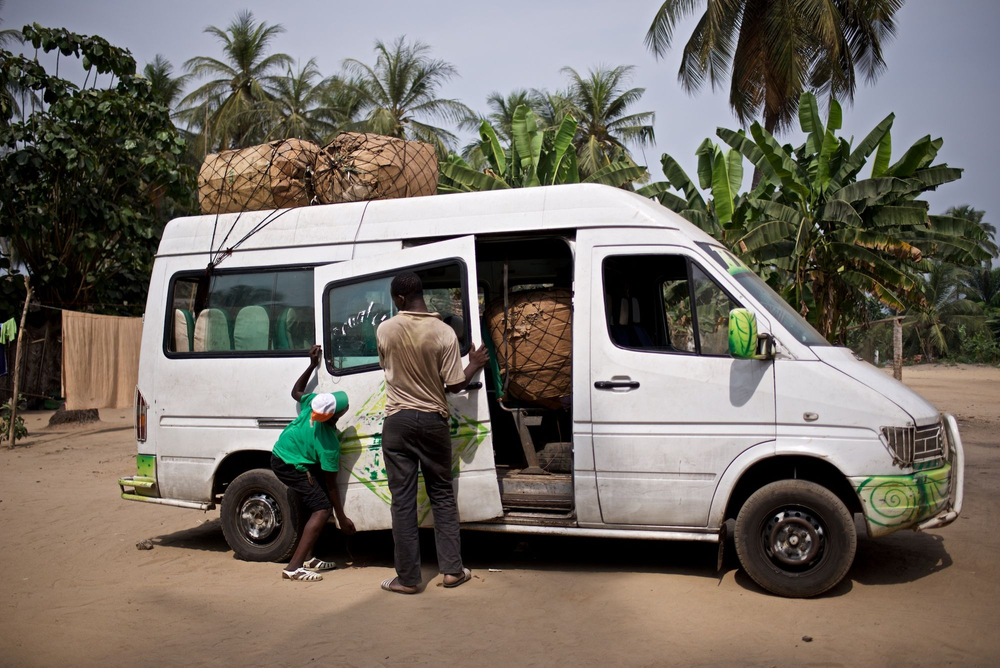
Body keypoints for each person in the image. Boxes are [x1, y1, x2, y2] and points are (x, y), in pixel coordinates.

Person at [376, 271, 489, 594]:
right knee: (441, 494)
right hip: (432, 422)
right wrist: (474, 363)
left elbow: (386, 367)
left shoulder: (385, 329)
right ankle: (452, 571)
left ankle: (408, 579)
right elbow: (454, 385)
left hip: (397, 423)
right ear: (421, 294)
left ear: (399, 298)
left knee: (403, 502)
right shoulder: (444, 332)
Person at [270, 344, 356, 581]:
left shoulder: (314, 403)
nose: (346, 405)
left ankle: (309, 557)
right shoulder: (329, 445)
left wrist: (311, 365)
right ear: (337, 415)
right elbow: (331, 485)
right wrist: (341, 517)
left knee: (314, 499)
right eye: (343, 407)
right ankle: (294, 568)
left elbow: (296, 391)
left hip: (285, 451)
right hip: (288, 463)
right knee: (322, 508)